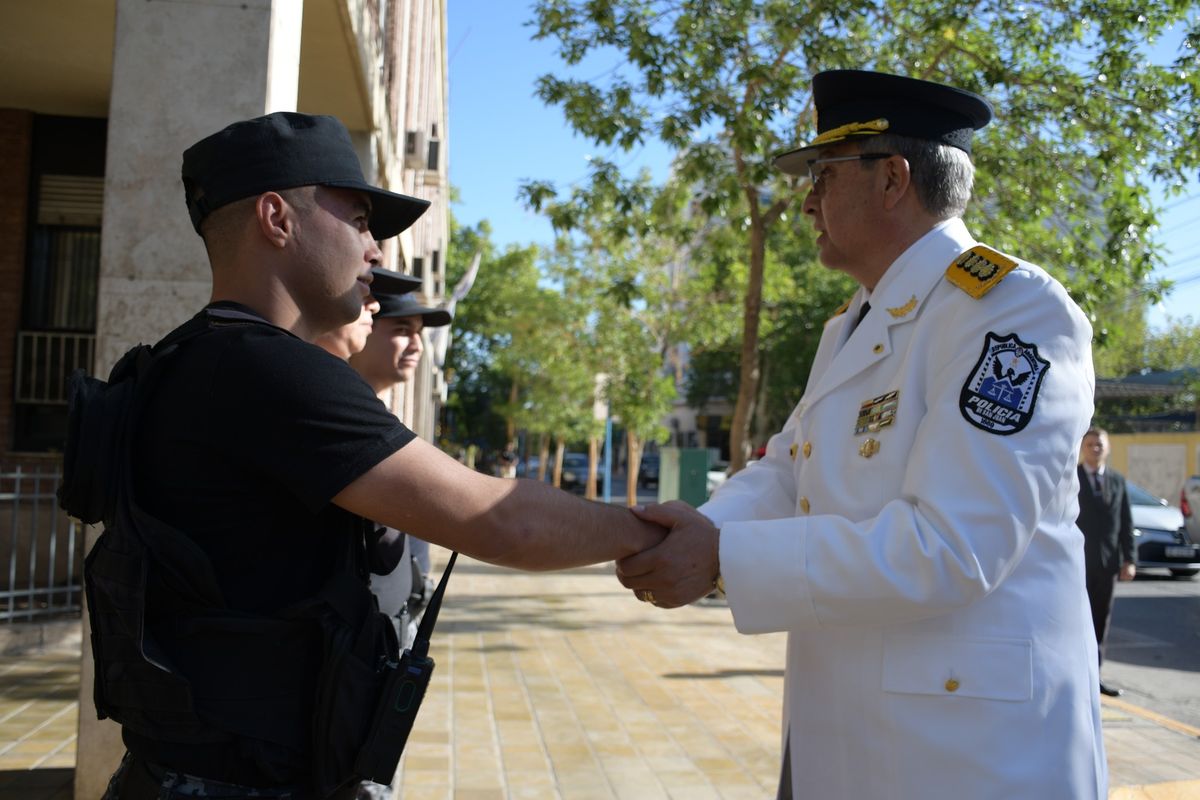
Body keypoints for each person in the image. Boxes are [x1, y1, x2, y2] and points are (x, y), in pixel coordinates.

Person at [97, 111, 665, 800]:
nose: (375, 250)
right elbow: (500, 521)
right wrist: (655, 535)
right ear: (277, 218)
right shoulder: (268, 370)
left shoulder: (186, 358)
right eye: (361, 221)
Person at [618, 70, 1105, 798]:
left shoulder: (1010, 311)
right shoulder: (853, 322)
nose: (806, 201)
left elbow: (954, 546)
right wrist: (695, 530)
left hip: (971, 754)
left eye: (823, 174)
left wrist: (720, 557)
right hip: (844, 728)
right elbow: (790, 469)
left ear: (893, 180)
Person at [348, 289, 453, 640]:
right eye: (402, 330)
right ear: (362, 323)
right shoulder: (342, 424)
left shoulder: (387, 422)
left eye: (419, 333)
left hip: (395, 628)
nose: (417, 345)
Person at [1077, 426, 1136, 698]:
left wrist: (1129, 559)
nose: (1095, 449)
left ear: (1108, 448)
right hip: (1077, 564)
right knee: (1077, 620)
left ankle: (1095, 677)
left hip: (1108, 564)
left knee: (1100, 621)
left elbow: (1126, 522)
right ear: (1082, 448)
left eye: (1099, 444)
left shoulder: (1117, 480)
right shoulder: (1071, 478)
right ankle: (1076, 677)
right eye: (1090, 444)